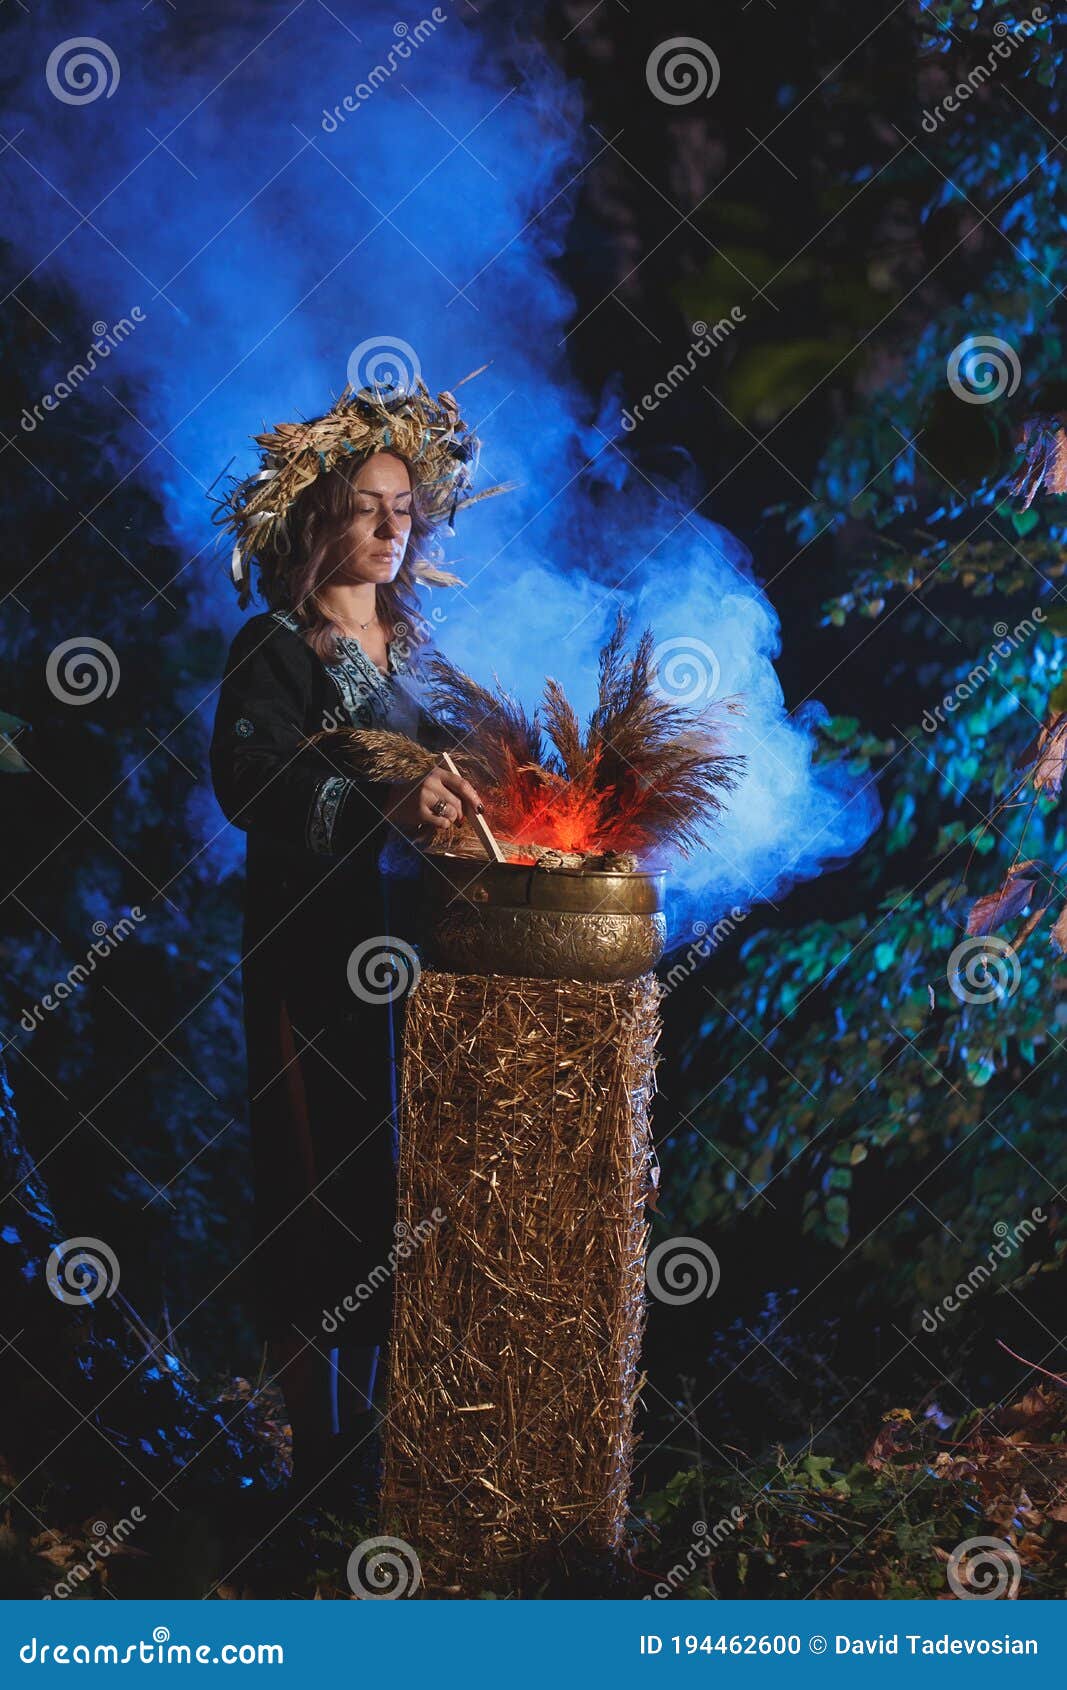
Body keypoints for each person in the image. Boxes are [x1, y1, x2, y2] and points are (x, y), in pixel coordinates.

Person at [208, 377, 507, 1513]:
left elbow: (471, 767)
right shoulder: (273, 652)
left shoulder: (420, 657)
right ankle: (316, 1457)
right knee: (312, 1180)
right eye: (370, 508)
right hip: (310, 959)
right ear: (317, 518)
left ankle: (379, 1458)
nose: (393, 531)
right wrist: (381, 804)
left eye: (403, 512)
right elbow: (252, 781)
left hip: (418, 968)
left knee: (396, 1189)